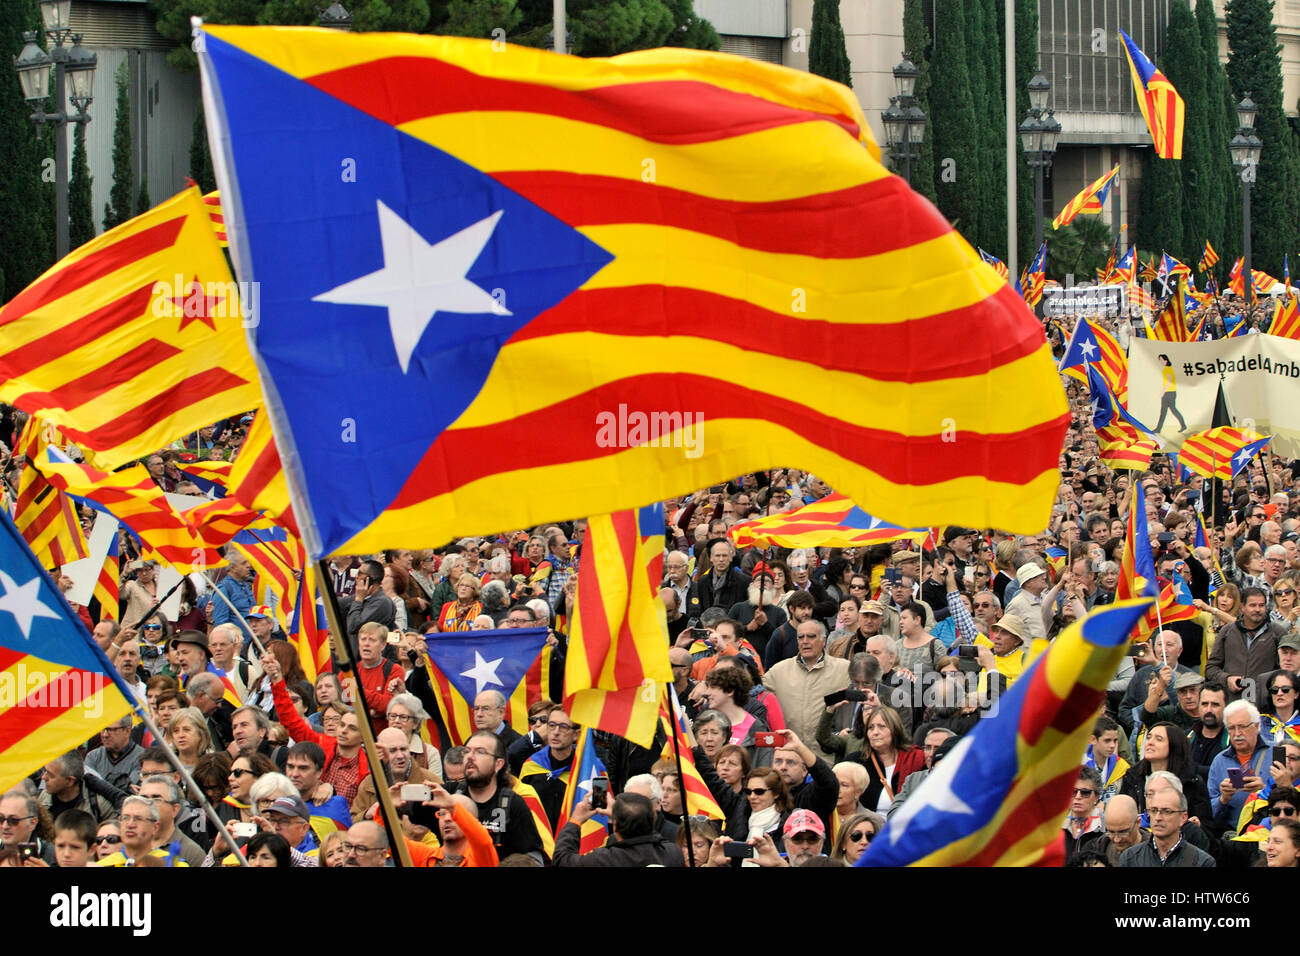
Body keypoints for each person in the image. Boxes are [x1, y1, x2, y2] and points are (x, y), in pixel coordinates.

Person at [762, 619, 850, 764]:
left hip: (827, 760)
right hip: (790, 760)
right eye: (800, 637)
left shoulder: (844, 669)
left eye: (811, 636)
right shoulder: (779, 671)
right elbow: (754, 695)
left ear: (823, 641)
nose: (805, 641)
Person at [451, 730, 545, 863]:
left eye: (480, 752)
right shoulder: (448, 795)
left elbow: (533, 860)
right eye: (467, 751)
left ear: (498, 764)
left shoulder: (513, 804)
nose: (470, 757)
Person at [554, 792, 685, 867]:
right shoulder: (673, 853)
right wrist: (624, 815)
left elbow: (562, 860)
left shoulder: (603, 860)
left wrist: (575, 821)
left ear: (615, 827)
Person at [1207, 587, 1286, 701]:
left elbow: (1286, 668)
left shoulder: (1277, 633)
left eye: (1261, 605)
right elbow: (1211, 668)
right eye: (1253, 605)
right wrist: (1226, 679)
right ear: (1242, 607)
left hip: (1265, 705)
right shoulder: (1227, 631)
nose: (1258, 609)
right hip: (1232, 703)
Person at [1209, 700, 1273, 831]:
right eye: (1231, 728)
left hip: (1269, 834)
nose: (1237, 733)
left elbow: (1291, 794)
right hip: (1234, 837)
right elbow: (1209, 813)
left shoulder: (1277, 752)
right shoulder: (1219, 761)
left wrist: (1264, 791)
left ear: (1256, 726)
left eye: (1242, 727)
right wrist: (1223, 799)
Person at [351, 728, 439, 822]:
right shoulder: (368, 784)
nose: (400, 756)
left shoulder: (431, 781)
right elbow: (352, 821)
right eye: (392, 751)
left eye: (403, 749)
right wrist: (367, 814)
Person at [1116, 785, 1214, 867]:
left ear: (1183, 818)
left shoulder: (1201, 862)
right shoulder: (1130, 858)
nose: (1158, 817)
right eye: (1154, 811)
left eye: (1166, 811)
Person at [519, 706, 579, 830]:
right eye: (551, 725)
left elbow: (600, 810)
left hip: (574, 843)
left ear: (576, 735)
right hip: (539, 842)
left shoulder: (592, 769)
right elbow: (520, 809)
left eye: (563, 727)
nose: (556, 732)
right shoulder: (531, 766)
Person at [700, 665, 771, 768]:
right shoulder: (706, 724)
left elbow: (763, 770)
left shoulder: (758, 728)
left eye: (713, 688)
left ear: (730, 691)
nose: (707, 693)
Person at [97, 796, 189, 866]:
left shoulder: (174, 864)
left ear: (155, 827)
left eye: (138, 818)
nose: (130, 824)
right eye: (125, 818)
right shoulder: (103, 865)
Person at [137, 775, 205, 867]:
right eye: (143, 799)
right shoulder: (129, 844)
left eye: (156, 799)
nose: (148, 804)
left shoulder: (191, 853)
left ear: (175, 810)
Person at [85, 716, 144, 794]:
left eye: (111, 730)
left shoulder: (142, 757)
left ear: (127, 731)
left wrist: (101, 784)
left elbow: (129, 792)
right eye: (102, 729)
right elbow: (88, 789)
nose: (105, 735)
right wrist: (123, 784)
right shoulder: (93, 756)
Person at [1062, 766, 1105, 862]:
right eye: (1073, 791)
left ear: (1096, 797)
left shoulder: (1104, 827)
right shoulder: (1057, 826)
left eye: (1085, 792)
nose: (1078, 797)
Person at [0, 790, 54, 865]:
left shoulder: (53, 856)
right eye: (1, 819)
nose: (5, 826)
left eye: (14, 820)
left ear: (32, 823)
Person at [1260, 669, 1300, 745]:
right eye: (1275, 690)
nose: (1279, 693)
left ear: (1296, 694)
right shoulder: (1259, 724)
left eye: (1285, 689)